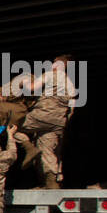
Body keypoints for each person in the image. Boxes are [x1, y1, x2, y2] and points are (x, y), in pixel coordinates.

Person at [20, 54, 78, 188]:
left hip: (42, 116)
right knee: (47, 151)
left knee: (11, 125)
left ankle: (27, 146)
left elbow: (31, 88)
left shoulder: (51, 74)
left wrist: (23, 82)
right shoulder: (71, 85)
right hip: (57, 124)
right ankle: (52, 183)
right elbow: (71, 111)